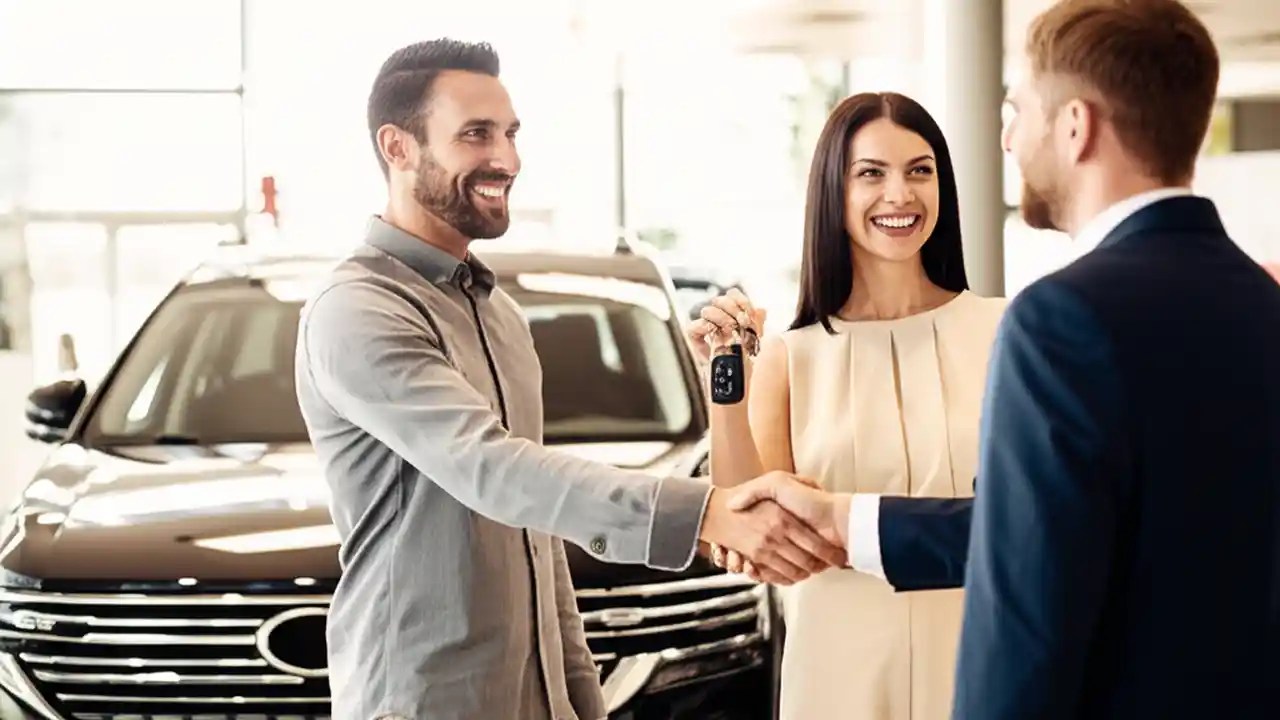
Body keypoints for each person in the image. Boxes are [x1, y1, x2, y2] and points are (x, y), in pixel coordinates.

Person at [731, 0, 1280, 717]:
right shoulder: (1262, 304)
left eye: (1017, 109)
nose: (1008, 139)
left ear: (1076, 127)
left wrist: (843, 522)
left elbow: (1029, 579)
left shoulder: (1057, 318)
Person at [293, 39, 845, 720]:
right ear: (397, 147)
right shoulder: (359, 308)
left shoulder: (501, 317)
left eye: (510, 134)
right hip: (418, 700)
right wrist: (704, 512)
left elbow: (537, 539)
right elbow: (490, 470)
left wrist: (579, 697)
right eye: (476, 134)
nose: (506, 159)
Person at [686, 92, 1007, 720]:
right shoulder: (788, 356)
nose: (900, 195)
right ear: (833, 191)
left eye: (920, 170)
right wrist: (728, 381)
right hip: (838, 676)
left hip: (982, 663)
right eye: (872, 173)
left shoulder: (1006, 331)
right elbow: (752, 532)